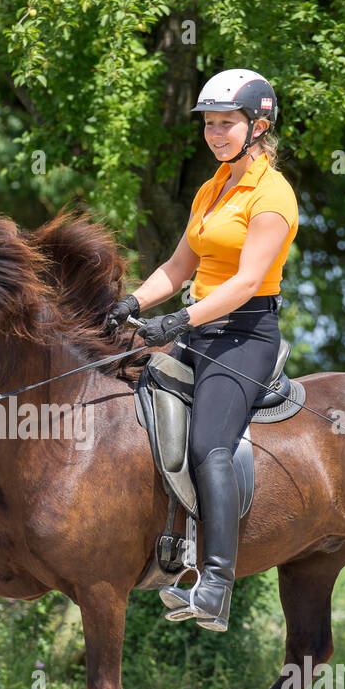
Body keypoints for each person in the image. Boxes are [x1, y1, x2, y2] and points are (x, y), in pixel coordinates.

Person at [107, 68, 299, 632]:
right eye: (210, 125)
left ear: (257, 126)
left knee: (210, 446)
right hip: (196, 327)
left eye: (226, 124)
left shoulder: (272, 196)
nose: (215, 134)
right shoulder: (211, 188)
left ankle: (214, 584)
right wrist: (132, 305)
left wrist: (178, 321)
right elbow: (176, 267)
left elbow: (244, 283)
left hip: (243, 336)